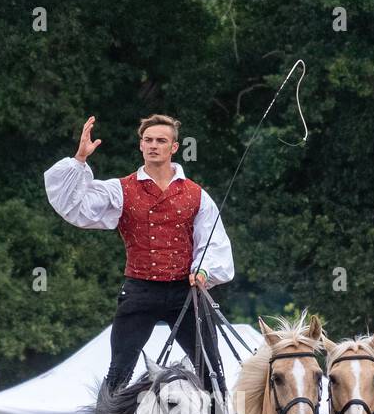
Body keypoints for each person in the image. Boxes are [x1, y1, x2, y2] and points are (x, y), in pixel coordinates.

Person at [44, 113, 235, 394]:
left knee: (212, 370)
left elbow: (212, 240)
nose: (153, 145)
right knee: (119, 371)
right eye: (148, 140)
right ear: (141, 145)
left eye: (161, 140)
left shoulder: (197, 194)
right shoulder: (120, 190)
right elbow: (74, 205)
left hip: (186, 292)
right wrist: (79, 160)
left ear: (174, 148)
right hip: (140, 290)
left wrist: (204, 269)